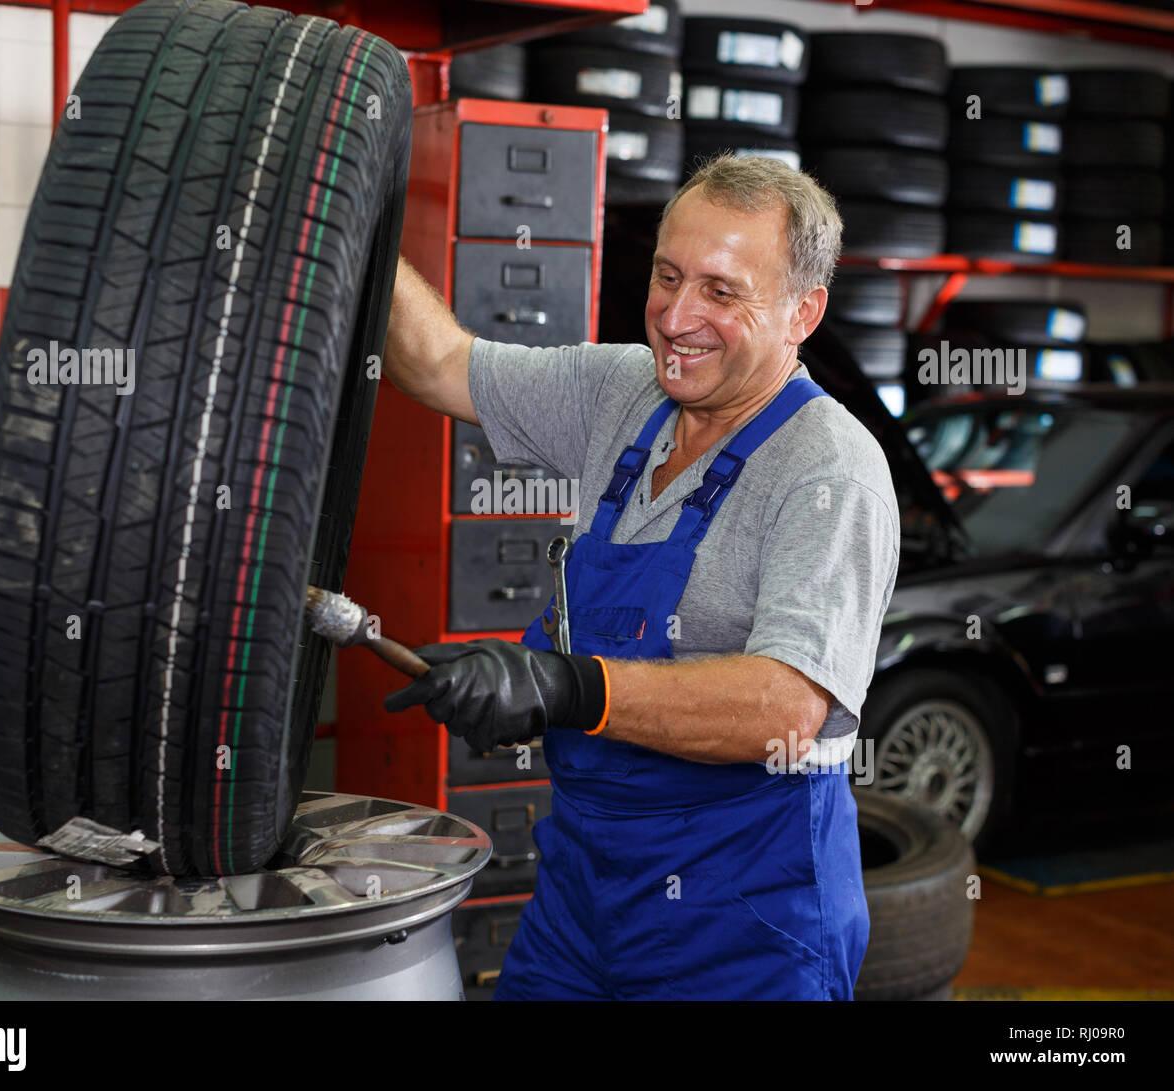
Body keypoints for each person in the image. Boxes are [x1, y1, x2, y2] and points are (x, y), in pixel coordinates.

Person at [380, 153, 900, 1000]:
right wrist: (349, 222)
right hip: (584, 894)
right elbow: (438, 362)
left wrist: (567, 687)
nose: (677, 316)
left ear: (803, 312)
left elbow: (789, 707)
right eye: (668, 276)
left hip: (743, 923)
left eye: (722, 292)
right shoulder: (622, 391)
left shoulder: (829, 469)